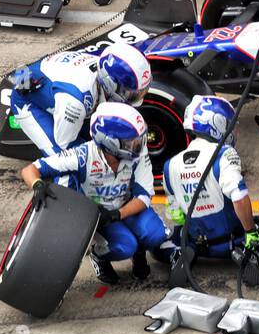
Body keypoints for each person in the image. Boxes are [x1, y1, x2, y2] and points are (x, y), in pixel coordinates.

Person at [22, 101, 165, 286]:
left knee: (156, 234)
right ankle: (99, 256)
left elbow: (144, 196)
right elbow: (30, 169)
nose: (139, 145)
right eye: (132, 142)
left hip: (123, 209)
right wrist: (37, 185)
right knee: (124, 246)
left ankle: (140, 254)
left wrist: (117, 214)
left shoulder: (138, 155)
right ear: (110, 142)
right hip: (98, 216)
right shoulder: (82, 155)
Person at [161, 96, 259, 280]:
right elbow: (239, 197)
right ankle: (250, 255)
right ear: (216, 123)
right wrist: (250, 231)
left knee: (159, 240)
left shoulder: (169, 165)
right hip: (232, 241)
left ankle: (180, 253)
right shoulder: (225, 154)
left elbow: (175, 213)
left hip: (198, 241)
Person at [7, 43, 152, 160]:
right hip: (29, 101)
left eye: (141, 92)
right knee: (69, 159)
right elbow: (64, 143)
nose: (137, 98)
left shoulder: (103, 70)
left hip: (59, 82)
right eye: (131, 93)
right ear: (110, 83)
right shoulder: (76, 102)